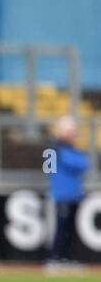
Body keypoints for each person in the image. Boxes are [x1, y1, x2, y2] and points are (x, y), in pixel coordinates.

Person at [46, 115, 89, 268]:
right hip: (60, 195)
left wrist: (65, 156)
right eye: (70, 131)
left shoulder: (71, 150)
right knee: (61, 228)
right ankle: (55, 258)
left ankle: (68, 258)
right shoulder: (53, 149)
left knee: (71, 229)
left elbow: (83, 165)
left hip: (74, 195)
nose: (73, 134)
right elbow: (48, 169)